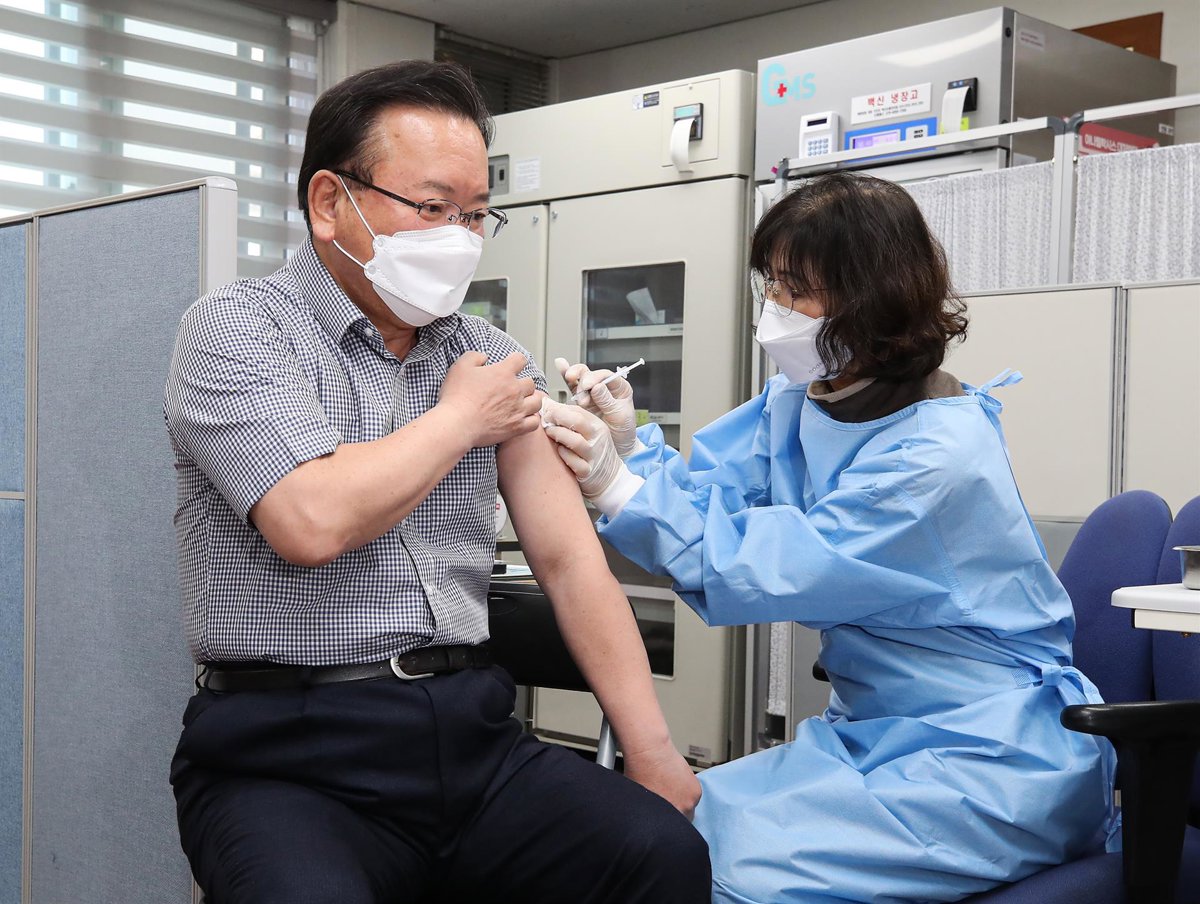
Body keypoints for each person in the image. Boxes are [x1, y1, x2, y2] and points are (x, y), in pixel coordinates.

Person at [163, 60, 709, 904]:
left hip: (473, 735)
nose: (457, 234)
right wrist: (461, 420)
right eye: (430, 208)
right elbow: (308, 520)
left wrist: (655, 752)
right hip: (287, 756)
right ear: (329, 201)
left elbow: (569, 563)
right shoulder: (237, 328)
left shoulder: (486, 354)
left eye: (475, 214)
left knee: (658, 852)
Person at [542, 172, 1116, 903]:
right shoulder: (804, 396)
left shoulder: (935, 454)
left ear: (872, 298)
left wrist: (613, 487)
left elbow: (767, 567)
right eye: (772, 286)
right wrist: (632, 448)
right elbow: (719, 500)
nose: (775, 311)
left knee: (720, 877)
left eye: (796, 291)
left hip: (991, 757)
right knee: (655, 840)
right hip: (870, 735)